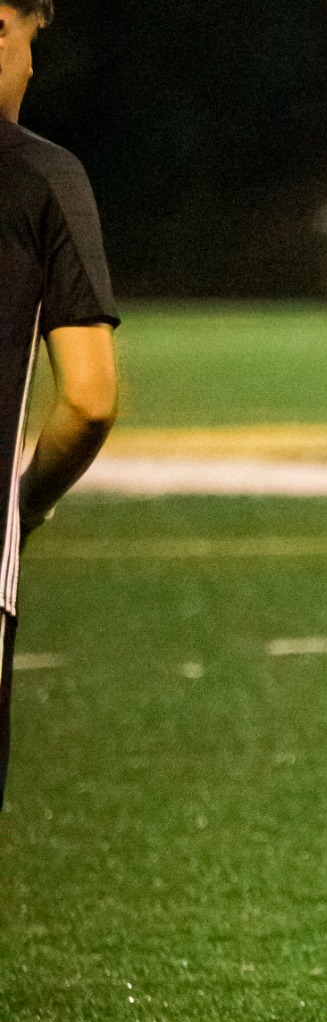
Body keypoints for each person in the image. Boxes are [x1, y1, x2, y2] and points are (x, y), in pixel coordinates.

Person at [0, 0, 120, 803]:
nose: (34, 67)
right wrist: (26, 506)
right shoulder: (42, 176)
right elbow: (89, 399)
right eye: (24, 38)